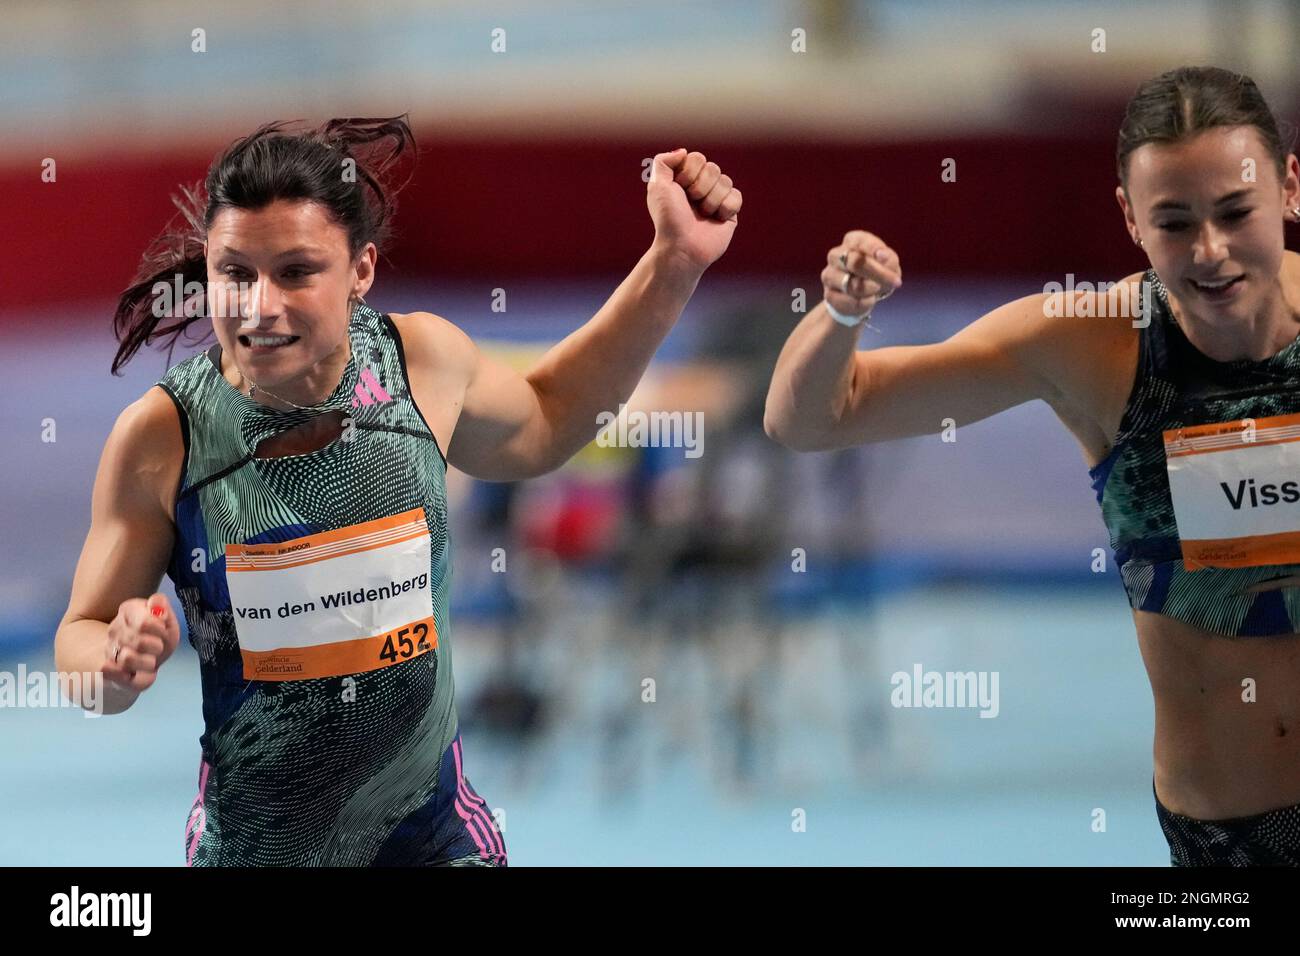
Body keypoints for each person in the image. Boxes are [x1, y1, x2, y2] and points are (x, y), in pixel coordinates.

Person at [52, 115, 741, 866]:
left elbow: (550, 417)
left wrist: (672, 263)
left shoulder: (422, 366)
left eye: (295, 272)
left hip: (435, 843)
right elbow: (80, 639)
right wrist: (113, 665)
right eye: (235, 274)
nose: (260, 306)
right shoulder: (163, 438)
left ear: (361, 271)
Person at [764, 66, 1300, 866]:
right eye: (1175, 223)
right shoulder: (1092, 345)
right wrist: (841, 313)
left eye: (1234, 212)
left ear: (1289, 187)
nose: (1210, 252)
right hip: (1231, 846)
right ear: (1129, 219)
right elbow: (810, 419)